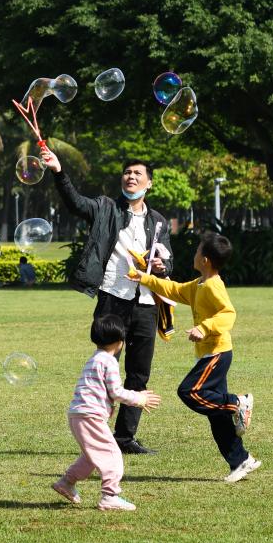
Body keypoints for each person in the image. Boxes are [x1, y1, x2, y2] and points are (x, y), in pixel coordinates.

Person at [39, 145, 172, 455]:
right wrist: (59, 171)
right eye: (127, 172)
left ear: (149, 183)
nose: (131, 176)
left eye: (137, 173)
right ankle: (95, 431)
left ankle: (125, 438)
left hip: (146, 302)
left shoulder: (158, 221)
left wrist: (162, 266)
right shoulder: (105, 208)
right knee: (104, 366)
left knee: (139, 372)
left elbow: (169, 260)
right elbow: (75, 203)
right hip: (113, 297)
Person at [127, 230, 261, 484]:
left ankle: (237, 403)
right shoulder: (199, 284)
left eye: (198, 251)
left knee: (189, 391)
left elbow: (228, 313)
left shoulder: (213, 285)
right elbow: (175, 289)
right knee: (216, 416)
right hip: (208, 354)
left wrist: (204, 327)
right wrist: (143, 277)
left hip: (217, 353)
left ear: (205, 260)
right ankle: (241, 460)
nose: (194, 253)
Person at [52, 315, 161, 511]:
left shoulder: (94, 359)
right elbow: (116, 392)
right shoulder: (109, 362)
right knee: (112, 453)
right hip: (90, 416)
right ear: (120, 342)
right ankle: (110, 496)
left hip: (78, 415)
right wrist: (139, 398)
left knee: (91, 455)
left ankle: (66, 483)